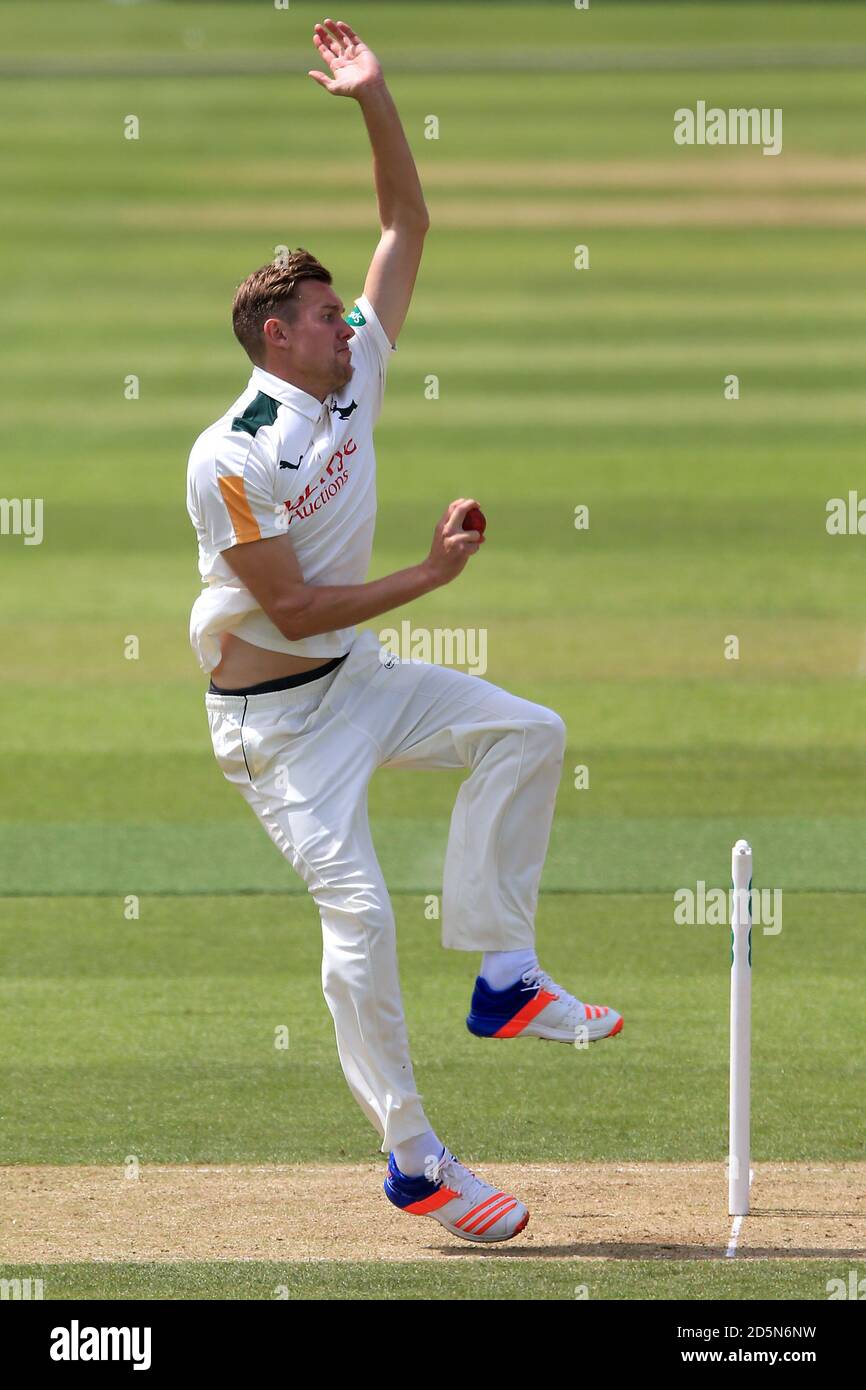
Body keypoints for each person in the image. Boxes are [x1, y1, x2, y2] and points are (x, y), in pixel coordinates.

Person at [185, 17, 622, 1244]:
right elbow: (296, 608)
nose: (351, 328)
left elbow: (404, 225)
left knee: (528, 732)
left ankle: (500, 977)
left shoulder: (352, 371)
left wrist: (377, 98)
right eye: (328, 319)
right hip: (277, 730)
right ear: (277, 339)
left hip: (358, 678)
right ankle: (415, 1159)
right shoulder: (227, 457)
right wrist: (431, 575)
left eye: (342, 316)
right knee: (361, 922)